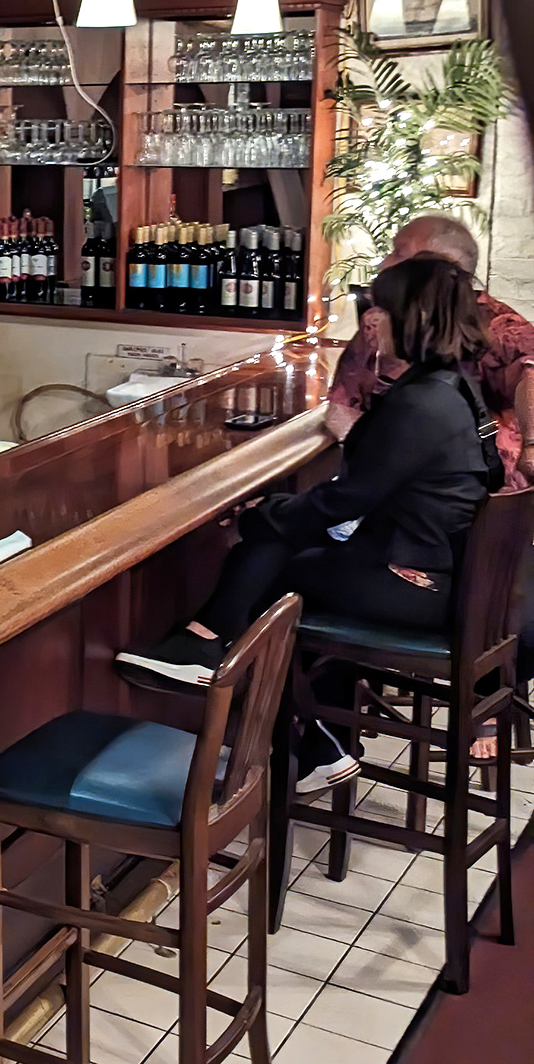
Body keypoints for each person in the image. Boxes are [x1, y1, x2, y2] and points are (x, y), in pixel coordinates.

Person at [117, 258, 494, 793]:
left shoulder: (422, 402)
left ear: (408, 316)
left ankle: (209, 648)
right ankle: (309, 735)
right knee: (280, 540)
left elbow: (345, 500)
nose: (370, 322)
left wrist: (265, 512)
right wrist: (275, 512)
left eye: (379, 309)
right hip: (437, 571)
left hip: (414, 580)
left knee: (277, 569)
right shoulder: (456, 387)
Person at [326, 213, 534, 489]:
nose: (385, 263)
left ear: (443, 267)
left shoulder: (497, 326)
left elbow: (529, 375)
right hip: (394, 493)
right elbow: (342, 405)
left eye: (399, 253)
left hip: (476, 501)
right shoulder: (380, 324)